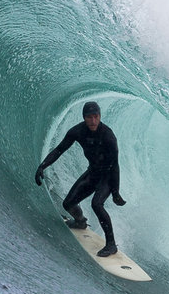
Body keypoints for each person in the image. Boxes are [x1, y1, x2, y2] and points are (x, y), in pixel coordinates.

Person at [34, 101, 126, 256]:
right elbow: (59, 150)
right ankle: (80, 221)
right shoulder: (77, 132)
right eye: (89, 117)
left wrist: (115, 193)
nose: (93, 120)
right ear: (84, 118)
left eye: (96, 116)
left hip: (108, 176)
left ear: (100, 116)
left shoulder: (108, 136)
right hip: (93, 173)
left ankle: (111, 245)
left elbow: (115, 166)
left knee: (97, 204)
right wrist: (42, 166)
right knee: (68, 203)